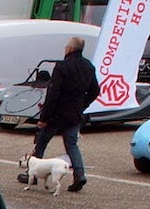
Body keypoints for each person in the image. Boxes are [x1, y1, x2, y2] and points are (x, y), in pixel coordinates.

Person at [21, 36, 100, 192]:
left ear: (69, 49)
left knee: (42, 142)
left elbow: (53, 93)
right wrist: (82, 105)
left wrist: (44, 117)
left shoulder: (62, 67)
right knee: (71, 145)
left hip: (57, 113)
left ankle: (32, 174)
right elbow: (95, 90)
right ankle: (79, 175)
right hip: (75, 113)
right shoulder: (88, 67)